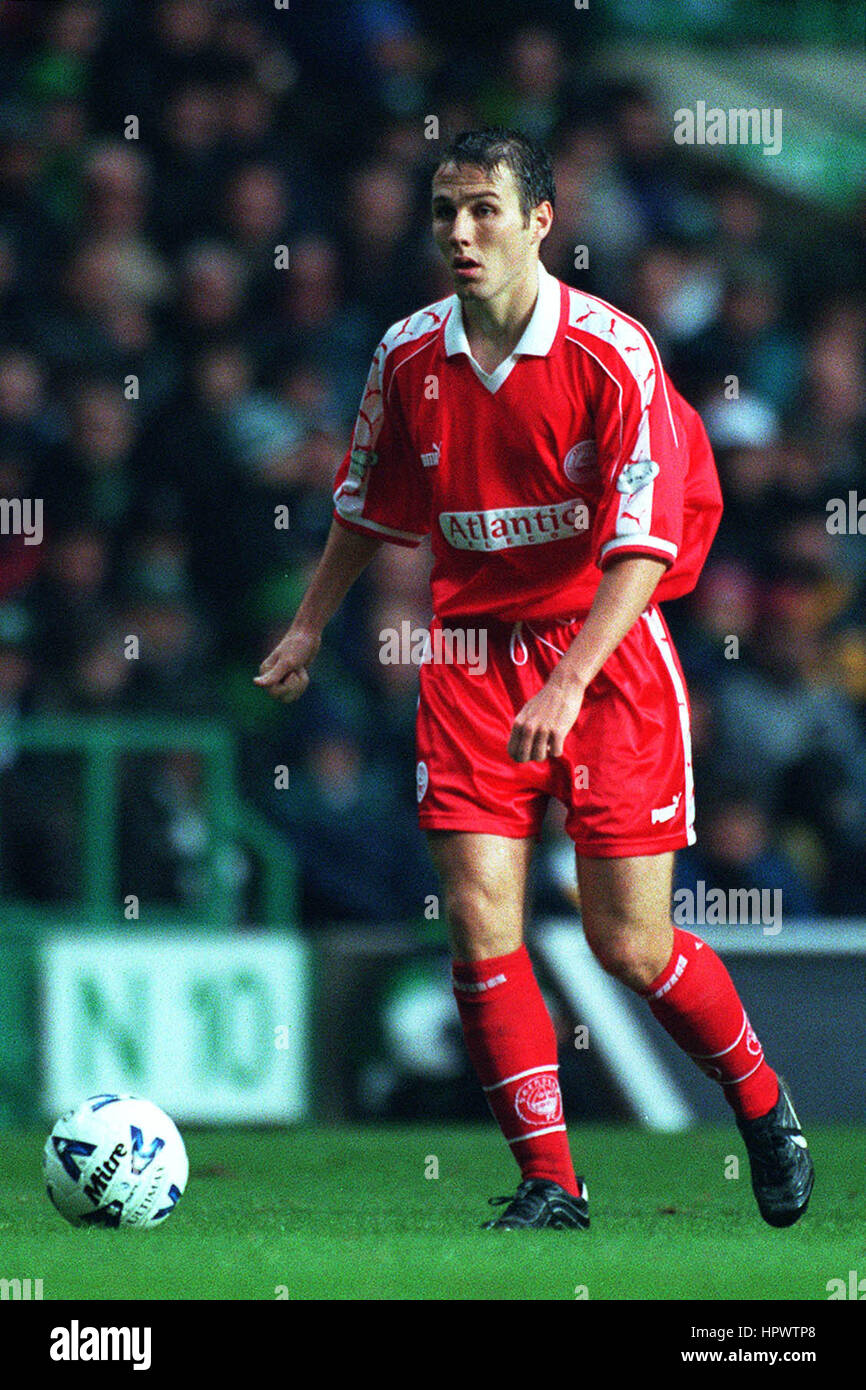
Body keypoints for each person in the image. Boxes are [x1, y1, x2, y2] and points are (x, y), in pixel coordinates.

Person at [255, 128, 814, 1231]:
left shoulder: (612, 353)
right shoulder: (405, 356)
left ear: (540, 220)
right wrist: (310, 624)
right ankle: (551, 1182)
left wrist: (564, 681)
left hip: (603, 656)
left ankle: (758, 1099)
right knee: (476, 919)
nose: (458, 233)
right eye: (443, 211)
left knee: (627, 943)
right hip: (467, 659)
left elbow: (644, 547)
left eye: (482, 210)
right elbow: (364, 502)